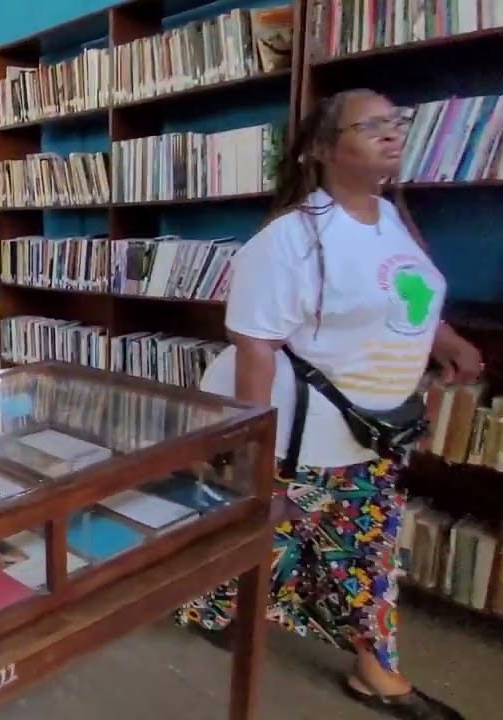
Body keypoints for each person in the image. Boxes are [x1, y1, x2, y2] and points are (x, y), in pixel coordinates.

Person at [180, 90, 481, 720]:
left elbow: (404, 299)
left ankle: (373, 669)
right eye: (370, 126)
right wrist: (251, 450)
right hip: (305, 436)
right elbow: (255, 347)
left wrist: (447, 339)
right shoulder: (290, 240)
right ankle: (213, 605)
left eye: (395, 122)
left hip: (376, 434)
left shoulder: (391, 219)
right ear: (321, 149)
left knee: (366, 553)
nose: (391, 134)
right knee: (275, 536)